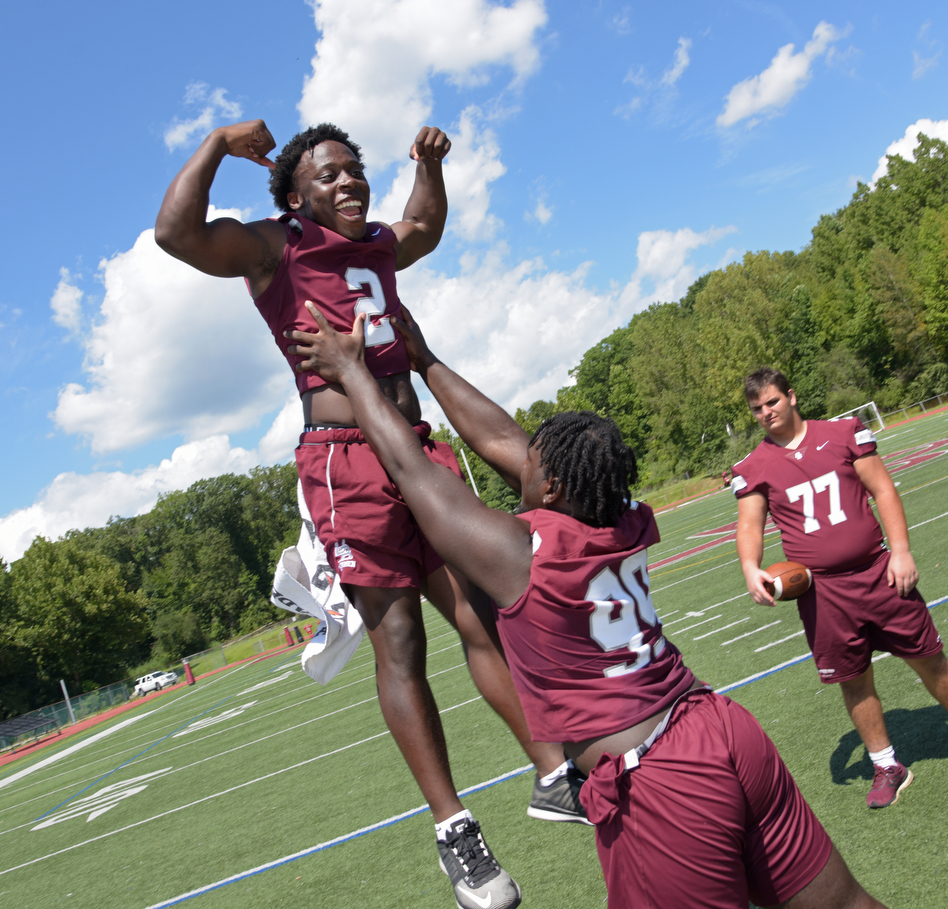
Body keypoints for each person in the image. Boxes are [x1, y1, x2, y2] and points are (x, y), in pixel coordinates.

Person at [287, 304, 886, 909]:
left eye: (531, 461)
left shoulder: (520, 553)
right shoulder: (619, 517)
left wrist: (352, 371)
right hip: (722, 726)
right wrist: (426, 362)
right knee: (844, 903)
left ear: (551, 486)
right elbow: (499, 438)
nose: (518, 459)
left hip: (659, 777)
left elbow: (408, 468)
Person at [155, 120, 574, 909]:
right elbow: (175, 232)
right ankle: (456, 831)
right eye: (329, 175)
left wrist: (428, 166)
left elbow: (425, 226)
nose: (350, 182)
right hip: (348, 460)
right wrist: (216, 141)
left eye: (356, 170)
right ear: (293, 197)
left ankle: (555, 773)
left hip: (416, 442)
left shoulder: (375, 242)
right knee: (402, 640)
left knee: (485, 613)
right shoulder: (276, 248)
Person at [732, 368, 948, 809]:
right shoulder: (753, 467)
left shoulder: (843, 432)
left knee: (931, 658)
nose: (766, 413)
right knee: (853, 681)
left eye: (772, 402)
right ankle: (887, 764)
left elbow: (883, 489)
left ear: (791, 397)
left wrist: (901, 551)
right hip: (822, 593)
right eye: (757, 408)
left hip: (877, 571)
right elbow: (749, 524)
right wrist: (750, 567)